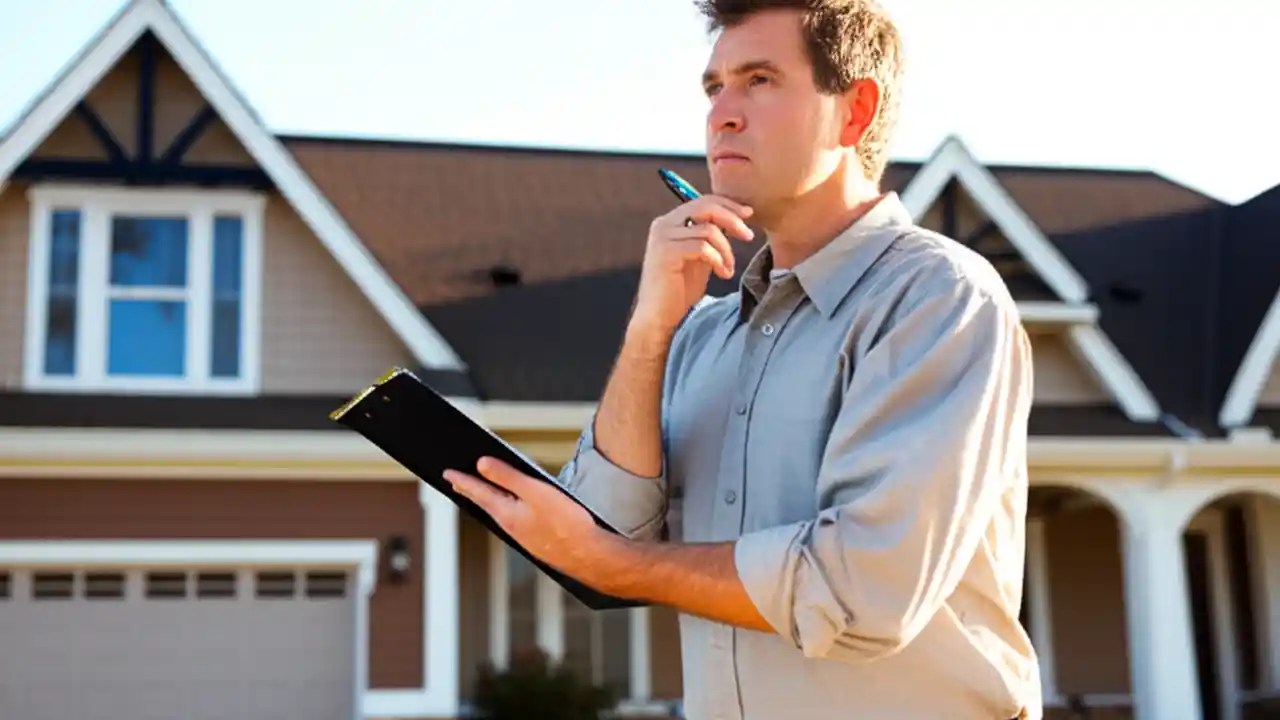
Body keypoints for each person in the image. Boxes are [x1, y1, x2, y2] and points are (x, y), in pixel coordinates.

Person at [443, 1, 1041, 718]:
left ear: (854, 112)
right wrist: (650, 330)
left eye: (759, 80)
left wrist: (613, 564)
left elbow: (863, 590)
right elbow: (600, 531)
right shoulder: (698, 334)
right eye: (713, 87)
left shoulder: (937, 299)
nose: (721, 114)